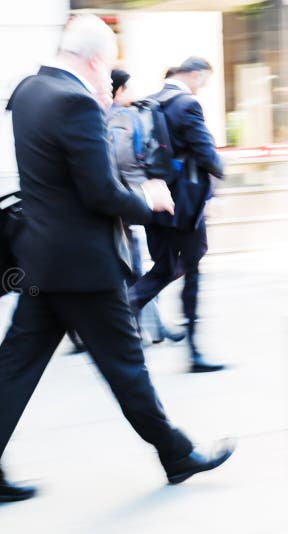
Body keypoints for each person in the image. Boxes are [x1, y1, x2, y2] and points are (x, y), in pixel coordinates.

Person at [0, 15, 233, 509]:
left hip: (42, 260)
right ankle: (177, 454)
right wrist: (149, 201)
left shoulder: (29, 90)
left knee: (15, 366)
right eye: (108, 66)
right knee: (127, 367)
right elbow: (101, 193)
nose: (108, 78)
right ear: (95, 60)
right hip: (85, 266)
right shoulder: (75, 102)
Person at [127, 57, 225, 373]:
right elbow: (206, 154)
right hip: (185, 205)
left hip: (155, 200)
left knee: (166, 267)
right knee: (190, 268)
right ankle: (194, 352)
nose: (203, 86)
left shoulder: (148, 102)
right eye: (205, 80)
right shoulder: (187, 105)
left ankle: (123, 313)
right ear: (195, 74)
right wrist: (222, 173)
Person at [108, 69, 185, 346]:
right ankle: (141, 329)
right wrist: (145, 185)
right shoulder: (120, 117)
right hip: (128, 199)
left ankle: (154, 327)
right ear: (119, 90)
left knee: (137, 267)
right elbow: (123, 161)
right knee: (134, 267)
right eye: (129, 87)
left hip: (123, 199)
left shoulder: (109, 114)